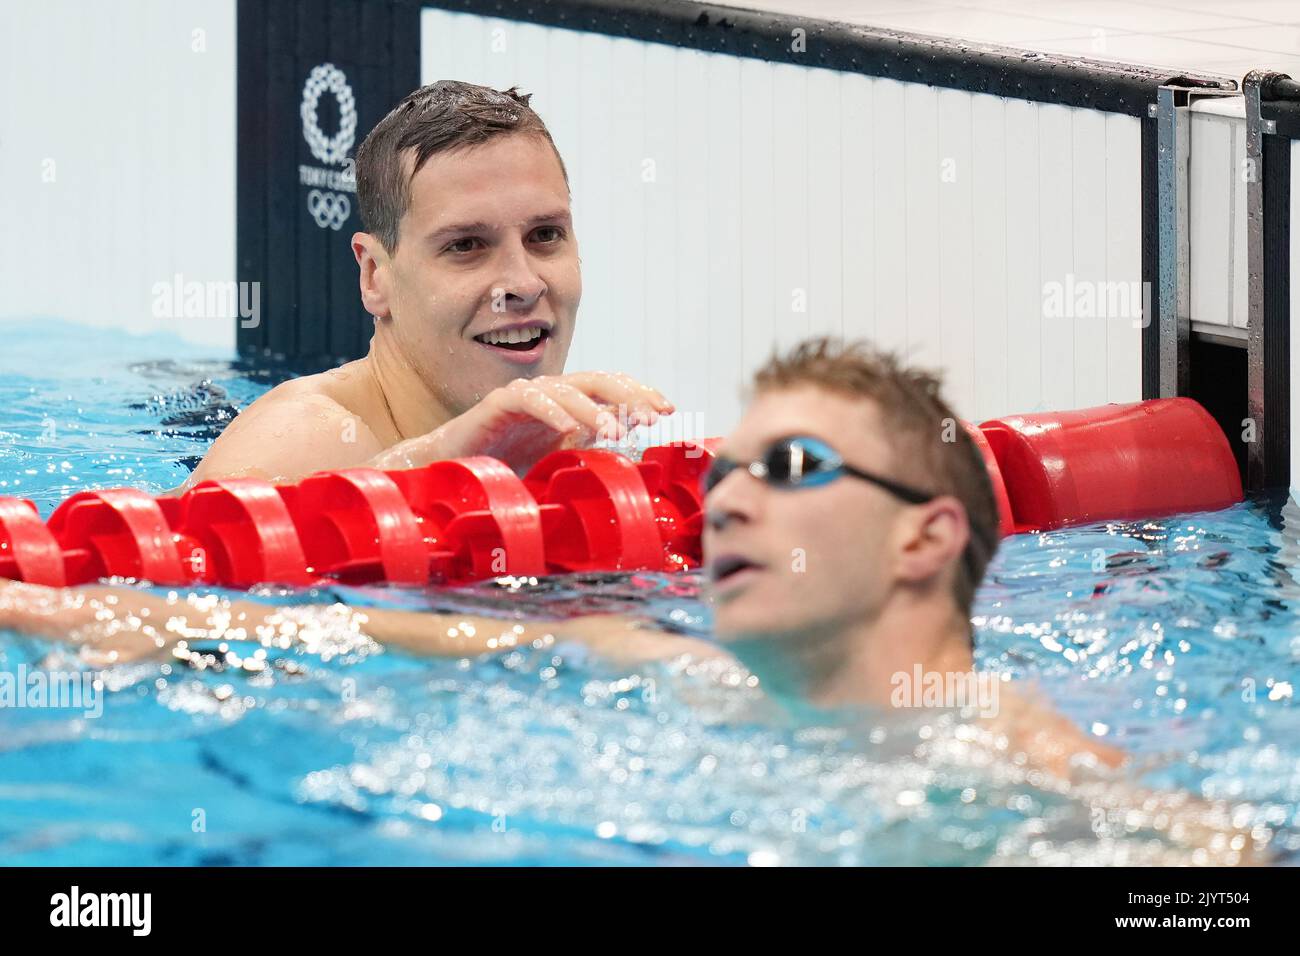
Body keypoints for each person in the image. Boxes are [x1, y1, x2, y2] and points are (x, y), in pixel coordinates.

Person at [180, 81, 673, 490]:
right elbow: (129, 587)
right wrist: (430, 462)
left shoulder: (581, 439)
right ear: (376, 276)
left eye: (545, 235)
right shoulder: (305, 438)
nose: (523, 284)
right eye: (466, 245)